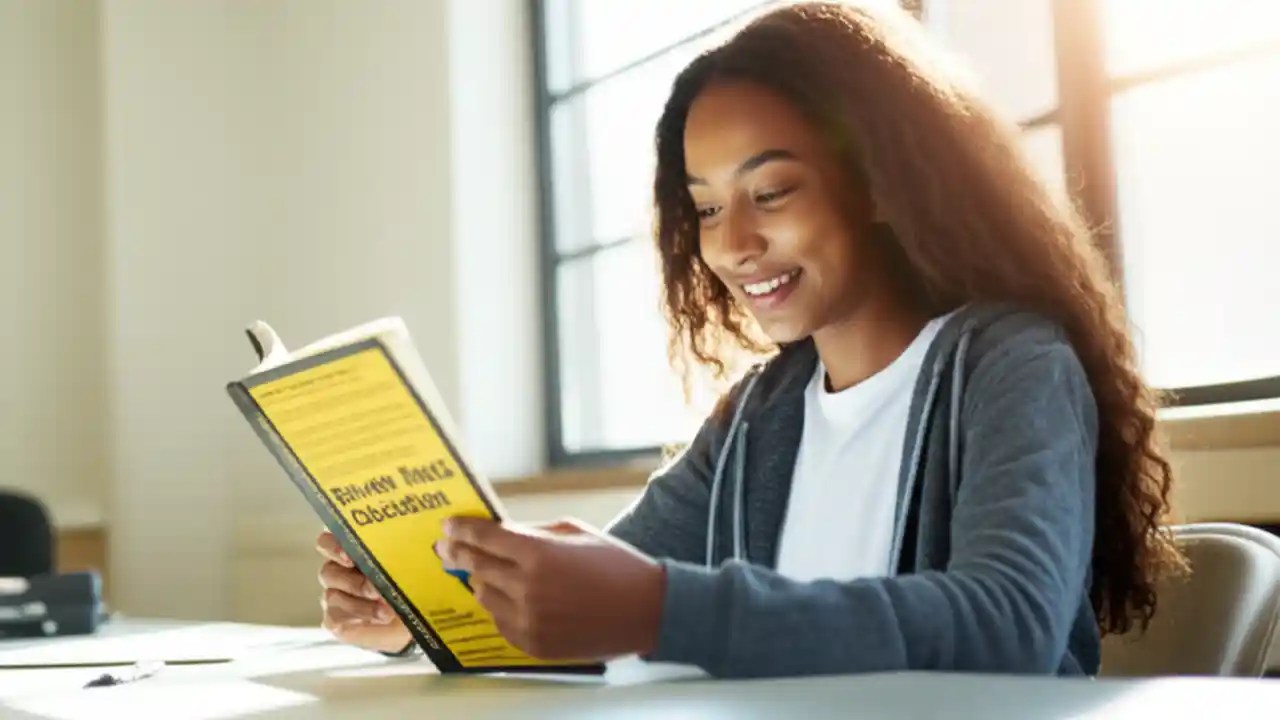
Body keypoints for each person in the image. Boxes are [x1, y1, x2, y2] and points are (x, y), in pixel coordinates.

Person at [314, 2, 1183, 678]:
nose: (732, 245)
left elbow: (1008, 628)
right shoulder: (761, 415)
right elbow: (601, 599)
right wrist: (425, 611)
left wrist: (659, 610)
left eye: (771, 193)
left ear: (880, 183)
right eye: (705, 208)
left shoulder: (1008, 364)